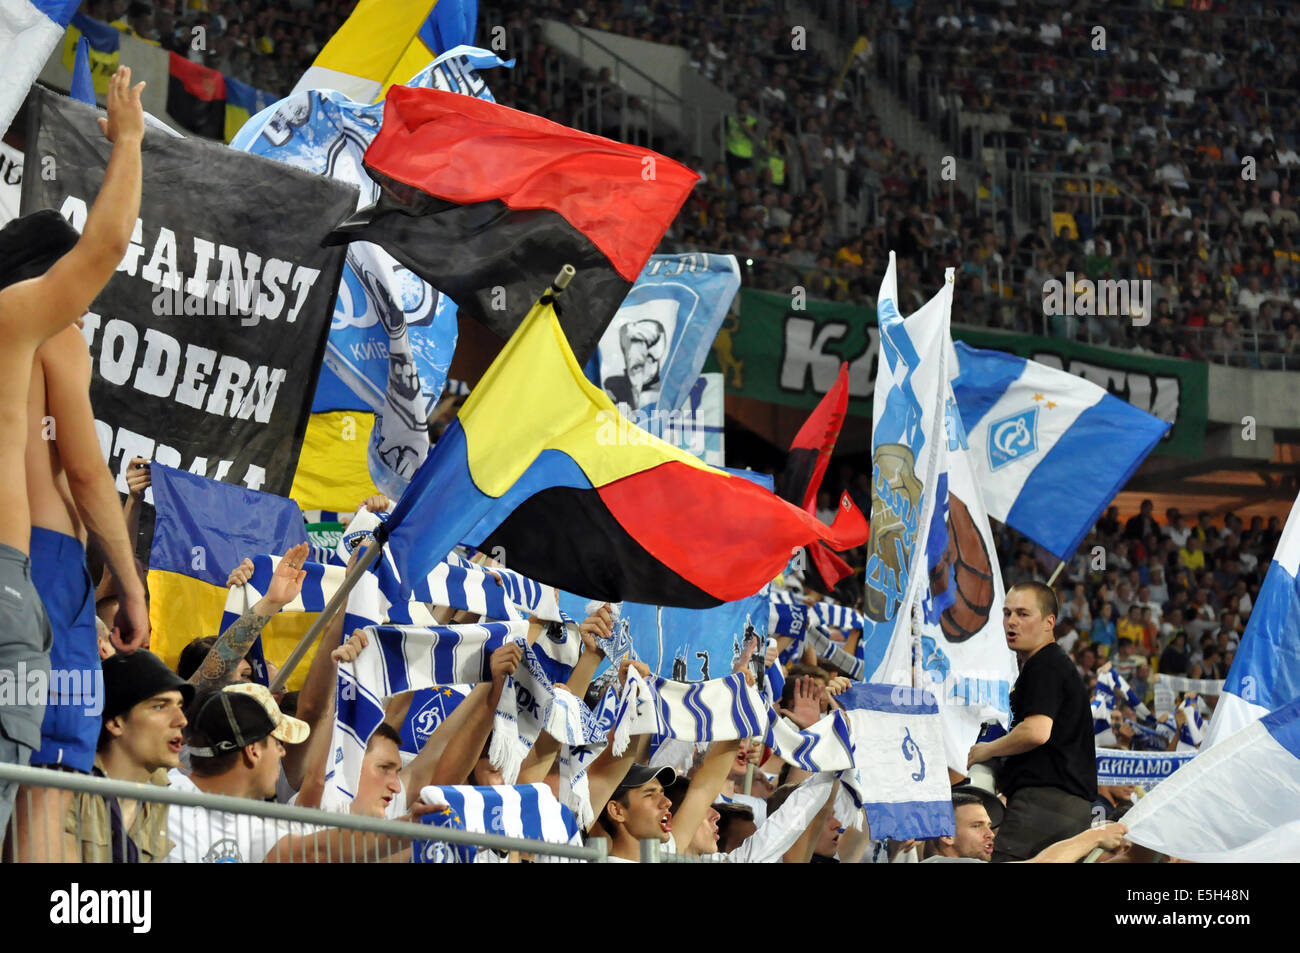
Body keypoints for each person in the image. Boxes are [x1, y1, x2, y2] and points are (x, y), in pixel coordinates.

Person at [0, 66, 145, 836]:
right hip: (41, 563)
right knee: (46, 778)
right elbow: (85, 472)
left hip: (22, 556)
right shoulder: (44, 328)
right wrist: (129, 586)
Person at [968, 582, 1097, 862]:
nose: (1011, 621)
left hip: (1044, 805)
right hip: (1064, 808)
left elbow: (1037, 732)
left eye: (1023, 614)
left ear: (1049, 622)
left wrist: (987, 751)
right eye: (1007, 613)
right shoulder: (1051, 663)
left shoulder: (1045, 664)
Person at [59, 650, 194, 863]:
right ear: (115, 722)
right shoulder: (66, 784)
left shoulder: (161, 795)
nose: (181, 720)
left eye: (180, 706)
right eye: (159, 706)